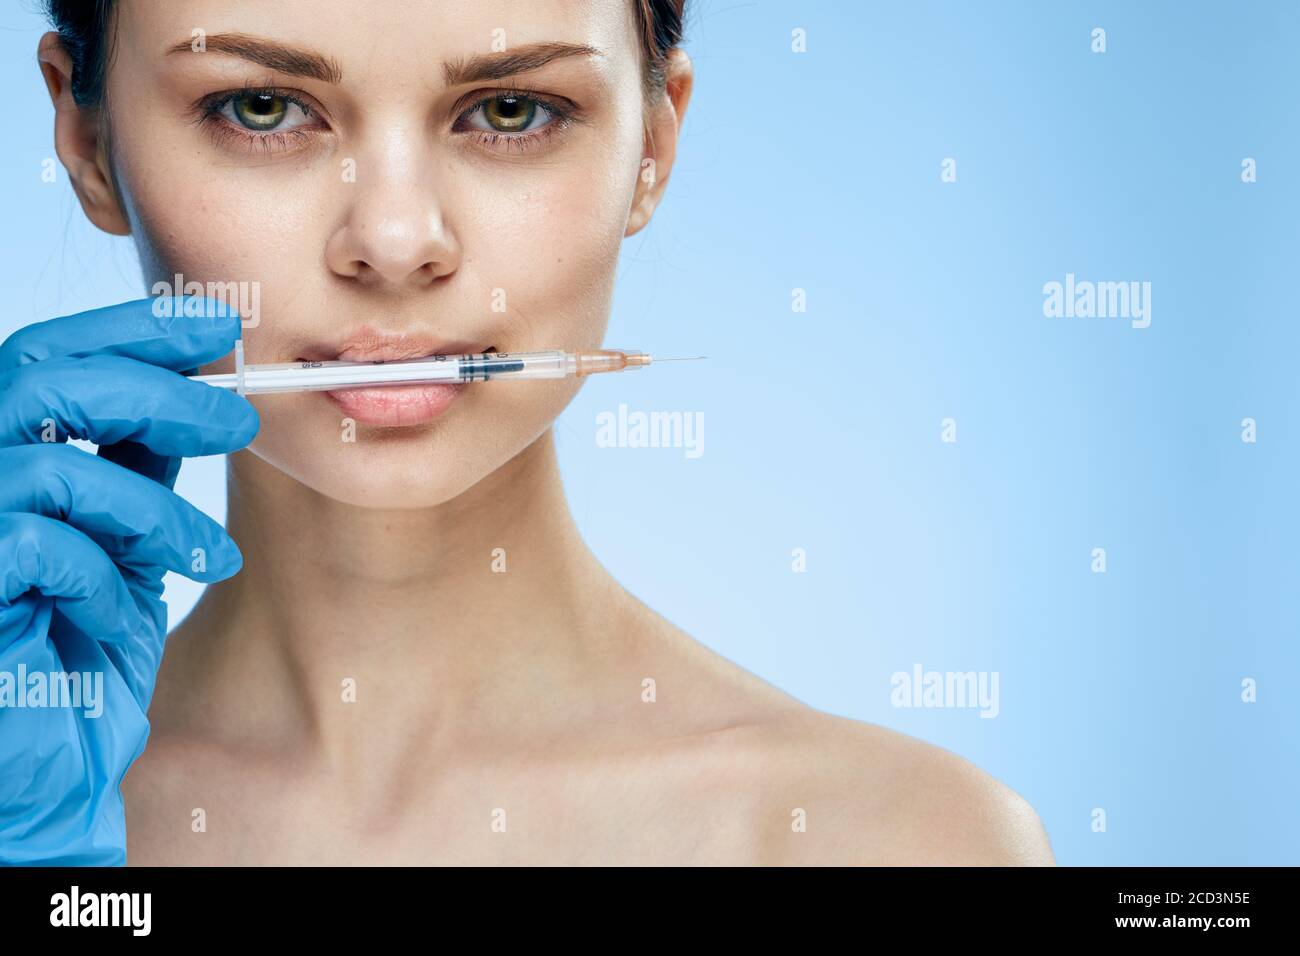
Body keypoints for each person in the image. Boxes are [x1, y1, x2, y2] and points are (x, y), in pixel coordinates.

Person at [0, 0, 1054, 865]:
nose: (396, 240)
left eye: (508, 110)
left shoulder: (904, 841)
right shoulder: (30, 797)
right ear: (90, 143)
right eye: (264, 107)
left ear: (654, 143)